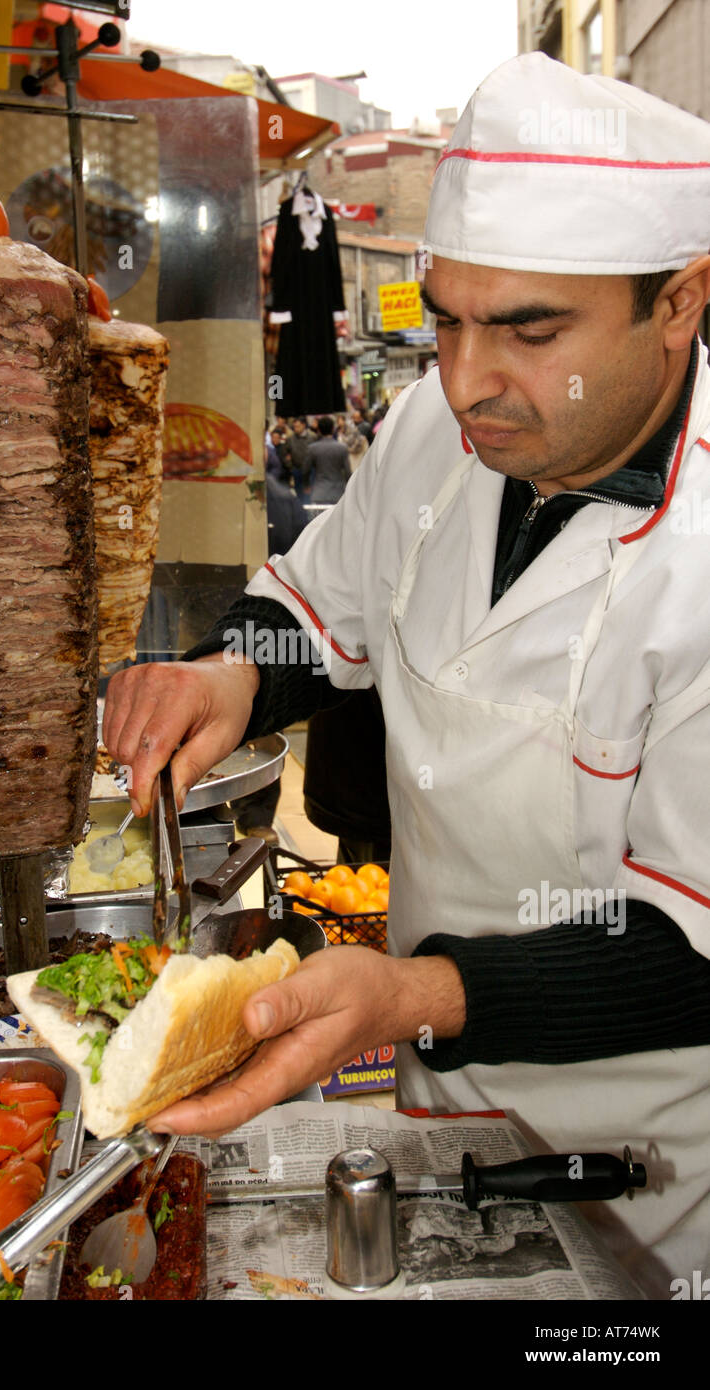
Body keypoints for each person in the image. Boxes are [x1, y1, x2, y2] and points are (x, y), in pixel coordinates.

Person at [102, 53, 710, 1296]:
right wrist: (226, 672)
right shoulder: (440, 427)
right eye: (445, 317)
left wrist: (403, 991)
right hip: (433, 1096)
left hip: (643, 1162)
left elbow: (687, 949)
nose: (465, 378)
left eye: (530, 329)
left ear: (678, 302)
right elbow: (320, 607)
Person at [307, 415, 351, 505]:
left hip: (319, 492)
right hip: (338, 493)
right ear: (332, 429)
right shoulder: (342, 448)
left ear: (318, 430)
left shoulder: (312, 448)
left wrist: (306, 485)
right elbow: (348, 472)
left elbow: (305, 470)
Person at [285, 416, 313, 500]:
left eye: (298, 426)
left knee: (309, 495)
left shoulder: (312, 437)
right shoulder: (290, 439)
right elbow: (285, 454)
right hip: (296, 470)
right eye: (294, 427)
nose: (295, 429)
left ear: (304, 425)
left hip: (310, 471)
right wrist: (290, 466)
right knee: (298, 494)